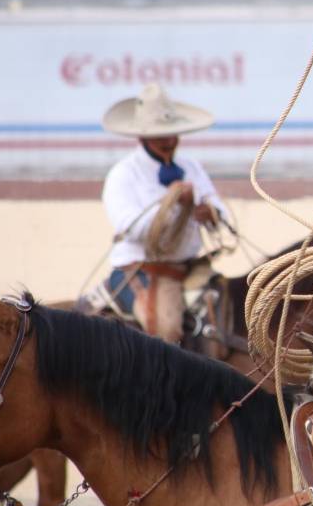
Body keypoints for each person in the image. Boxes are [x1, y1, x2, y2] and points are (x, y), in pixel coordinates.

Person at [99, 82, 232, 344]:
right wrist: (172, 206)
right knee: (166, 330)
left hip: (188, 267)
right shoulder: (123, 174)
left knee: (231, 305)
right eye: (161, 136)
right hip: (140, 270)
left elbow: (222, 213)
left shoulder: (191, 166)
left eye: (172, 134)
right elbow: (131, 227)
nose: (169, 142)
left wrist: (211, 213)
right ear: (142, 137)